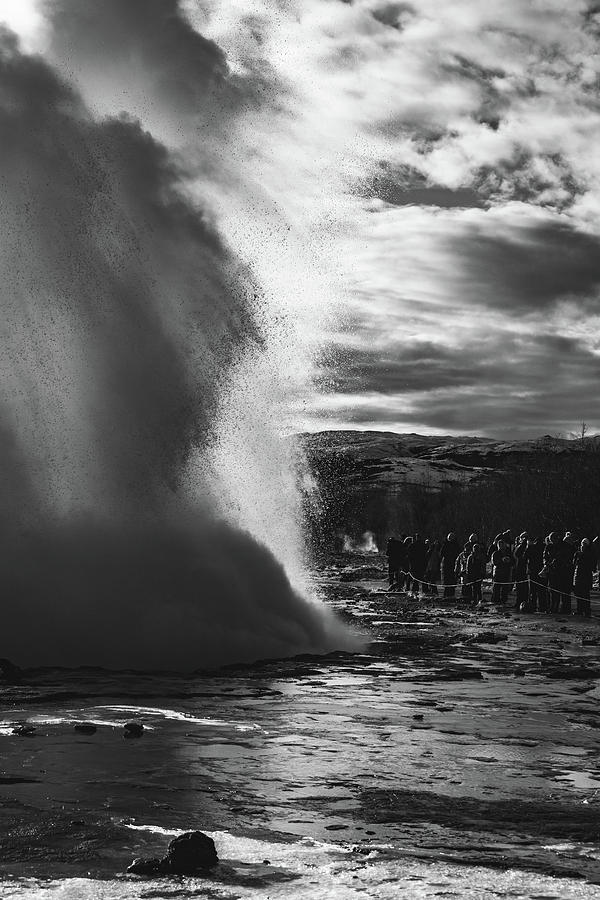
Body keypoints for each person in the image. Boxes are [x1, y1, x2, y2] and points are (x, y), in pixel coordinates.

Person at [544, 531, 565, 614]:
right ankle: (552, 607)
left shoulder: (561, 546)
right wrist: (547, 563)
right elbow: (545, 557)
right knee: (551, 591)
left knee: (557, 591)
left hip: (559, 571)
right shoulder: (548, 547)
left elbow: (563, 557)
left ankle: (556, 607)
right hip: (551, 571)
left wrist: (557, 562)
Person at [573, 538, 594, 617]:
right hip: (579, 576)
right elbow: (574, 564)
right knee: (579, 594)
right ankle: (580, 610)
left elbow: (589, 566)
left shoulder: (588, 555)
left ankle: (586, 611)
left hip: (584, 577)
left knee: (585, 594)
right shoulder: (579, 554)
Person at [523, 536, 545, 612]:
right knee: (542, 590)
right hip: (541, 571)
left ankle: (533, 606)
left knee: (533, 591)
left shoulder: (531, 547)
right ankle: (543, 606)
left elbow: (524, 557)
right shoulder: (544, 547)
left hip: (533, 571)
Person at [491, 538, 513, 604]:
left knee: (505, 590)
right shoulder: (495, 553)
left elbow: (513, 562)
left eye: (503, 545)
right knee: (496, 590)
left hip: (506, 574)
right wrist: (502, 560)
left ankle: (504, 602)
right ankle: (495, 601)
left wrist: (509, 560)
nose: (502, 546)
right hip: (498, 574)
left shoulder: (508, 553)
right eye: (500, 545)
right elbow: (494, 562)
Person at [440, 532, 460, 599]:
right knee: (447, 581)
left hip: (452, 565)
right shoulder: (446, 545)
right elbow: (441, 553)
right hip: (447, 565)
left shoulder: (452, 545)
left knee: (451, 581)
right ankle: (447, 595)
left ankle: (449, 595)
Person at [514, 532, 529, 611]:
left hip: (523, 570)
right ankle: (520, 601)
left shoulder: (527, 546)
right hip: (519, 569)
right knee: (520, 588)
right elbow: (516, 554)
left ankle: (523, 602)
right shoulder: (520, 547)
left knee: (524, 588)